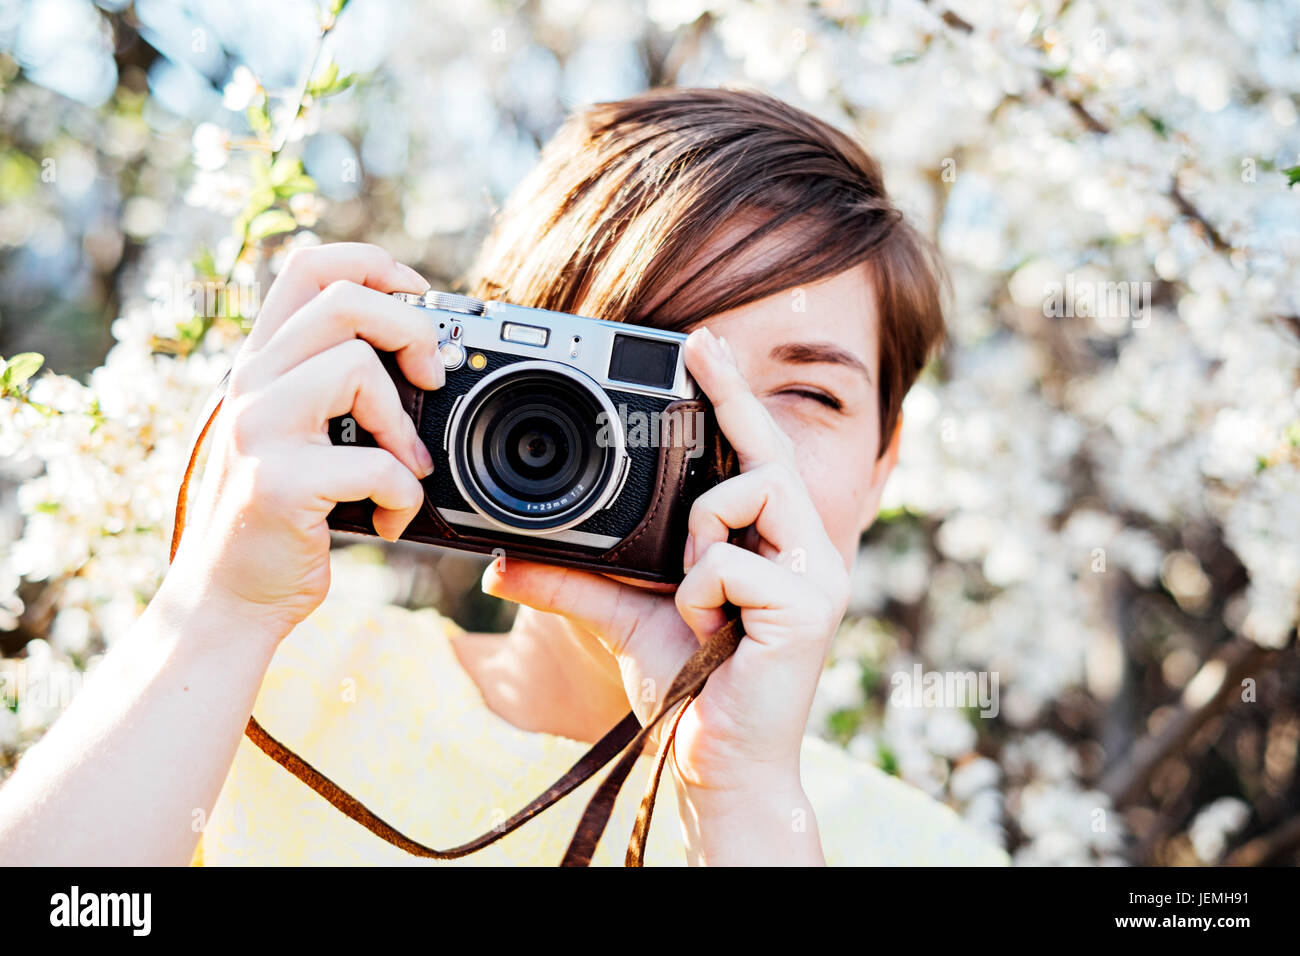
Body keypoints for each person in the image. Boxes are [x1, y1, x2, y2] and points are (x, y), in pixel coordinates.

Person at [0, 87, 1008, 866]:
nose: (717, 442)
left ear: (882, 466)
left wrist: (741, 796)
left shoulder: (929, 852)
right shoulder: (262, 686)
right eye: (648, 363)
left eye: (808, 395)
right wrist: (218, 608)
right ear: (480, 374)